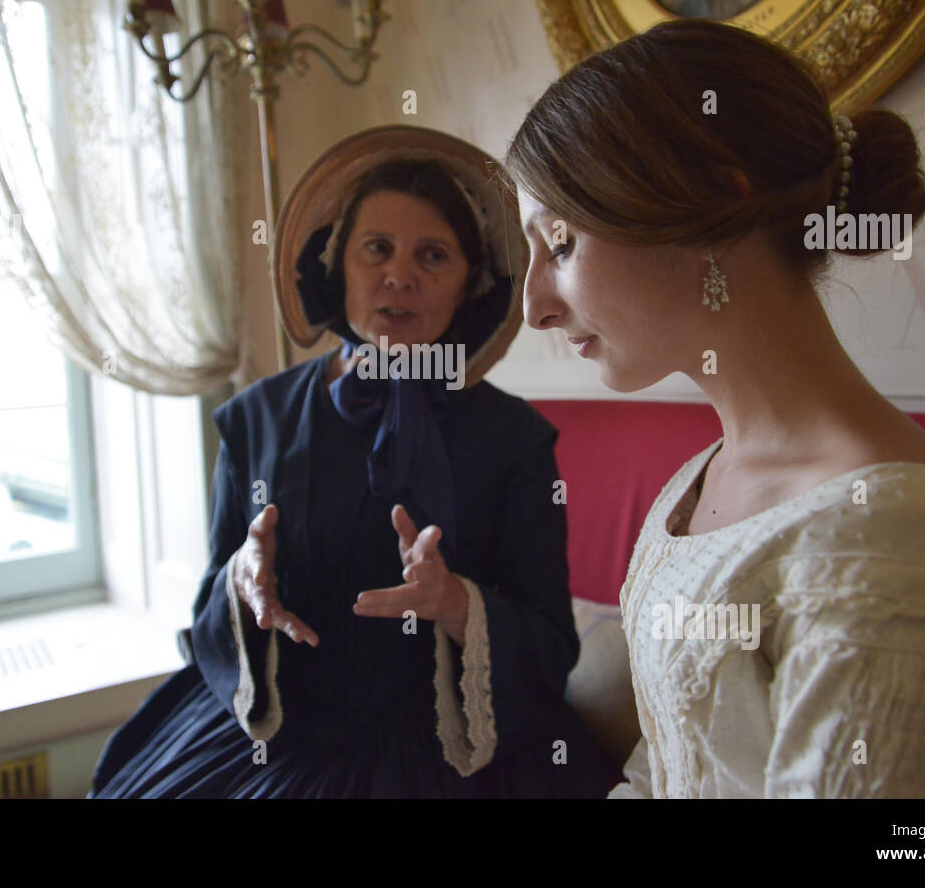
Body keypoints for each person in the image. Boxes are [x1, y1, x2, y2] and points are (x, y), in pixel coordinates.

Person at [507, 19, 925, 797]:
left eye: (559, 243)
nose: (533, 306)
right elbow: (668, 760)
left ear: (710, 206)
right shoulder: (698, 480)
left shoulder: (886, 560)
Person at [89, 126, 614, 798]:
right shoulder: (255, 418)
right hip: (279, 740)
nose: (400, 274)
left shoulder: (515, 441)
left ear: (468, 287)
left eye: (433, 255)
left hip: (448, 754)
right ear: (338, 266)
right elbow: (205, 610)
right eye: (377, 249)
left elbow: (549, 645)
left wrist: (458, 603)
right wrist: (243, 584)